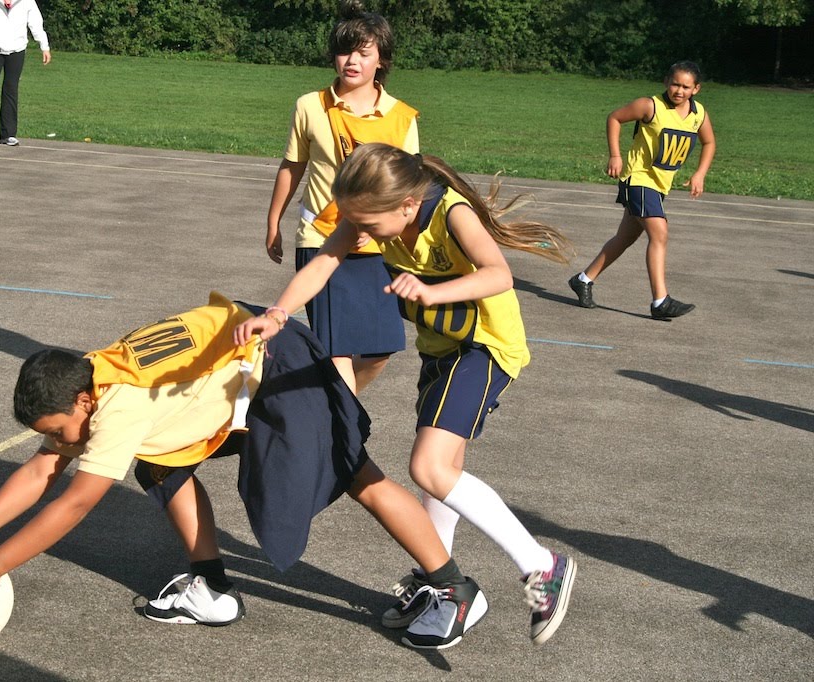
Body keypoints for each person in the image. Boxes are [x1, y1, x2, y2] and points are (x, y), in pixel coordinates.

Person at [0, 293, 488, 650]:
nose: (55, 442)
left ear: (84, 403)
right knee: (161, 465)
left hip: (281, 368)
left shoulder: (117, 404)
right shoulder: (86, 373)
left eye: (59, 430)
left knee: (359, 478)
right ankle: (211, 587)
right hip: (241, 372)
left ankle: (453, 587)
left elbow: (73, 501)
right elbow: (42, 468)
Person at [235, 143, 578, 646]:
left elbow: (498, 274)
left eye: (370, 226)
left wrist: (432, 291)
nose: (363, 234)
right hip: (442, 350)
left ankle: (541, 566)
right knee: (444, 474)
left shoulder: (450, 212)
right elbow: (323, 263)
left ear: (406, 205)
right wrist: (278, 313)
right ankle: (442, 586)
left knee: (430, 469)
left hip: (483, 346)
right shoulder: (372, 214)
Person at [265, 0, 417, 394]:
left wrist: (382, 226)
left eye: (363, 53)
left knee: (382, 348)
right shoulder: (310, 106)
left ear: (381, 59)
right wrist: (273, 222)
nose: (352, 61)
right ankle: (346, 428)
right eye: (344, 51)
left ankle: (336, 410)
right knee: (338, 351)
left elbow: (410, 183)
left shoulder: (401, 116)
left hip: (380, 245)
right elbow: (292, 166)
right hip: (322, 237)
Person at [568, 60, 716, 319]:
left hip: (659, 185)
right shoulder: (650, 106)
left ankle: (583, 279)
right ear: (666, 83)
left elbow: (709, 142)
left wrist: (700, 173)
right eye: (675, 84)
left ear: (696, 89)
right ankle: (660, 301)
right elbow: (614, 118)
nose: (679, 90)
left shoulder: (698, 114)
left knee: (625, 238)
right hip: (637, 179)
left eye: (685, 86)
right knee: (660, 234)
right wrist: (615, 155)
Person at [0, 0, 51, 147]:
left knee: (11, 89)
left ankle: (8, 134)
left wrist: (44, 46)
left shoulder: (27, 2)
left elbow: (36, 23)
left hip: (17, 49)